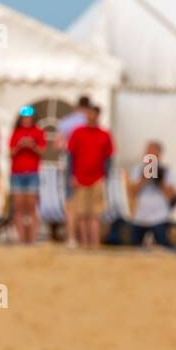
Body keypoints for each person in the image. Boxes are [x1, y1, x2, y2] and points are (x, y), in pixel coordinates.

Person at [65, 102, 114, 249]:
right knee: (81, 214)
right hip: (79, 179)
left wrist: (105, 176)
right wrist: (71, 175)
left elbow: (109, 158)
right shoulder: (77, 133)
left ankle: (95, 243)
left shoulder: (104, 135)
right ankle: (84, 243)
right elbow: (70, 156)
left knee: (95, 214)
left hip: (97, 178)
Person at [127, 140, 176, 247]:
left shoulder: (167, 172)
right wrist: (144, 178)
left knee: (164, 247)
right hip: (140, 216)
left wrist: (160, 181)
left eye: (153, 154)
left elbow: (171, 196)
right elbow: (131, 193)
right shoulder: (137, 170)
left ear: (159, 155)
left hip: (159, 217)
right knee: (134, 248)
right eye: (148, 153)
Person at [57, 95, 91, 246]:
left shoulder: (67, 122)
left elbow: (58, 145)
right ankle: (86, 240)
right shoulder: (89, 123)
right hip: (89, 169)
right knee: (86, 206)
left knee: (71, 204)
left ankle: (72, 237)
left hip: (71, 166)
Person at [8, 106, 45, 243]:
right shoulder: (16, 133)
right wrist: (19, 146)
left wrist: (32, 146)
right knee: (18, 207)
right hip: (17, 173)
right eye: (24, 117)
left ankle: (32, 238)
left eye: (29, 117)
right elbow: (10, 153)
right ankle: (21, 239)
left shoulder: (38, 132)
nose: (26, 120)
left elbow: (42, 152)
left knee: (31, 206)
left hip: (32, 173)